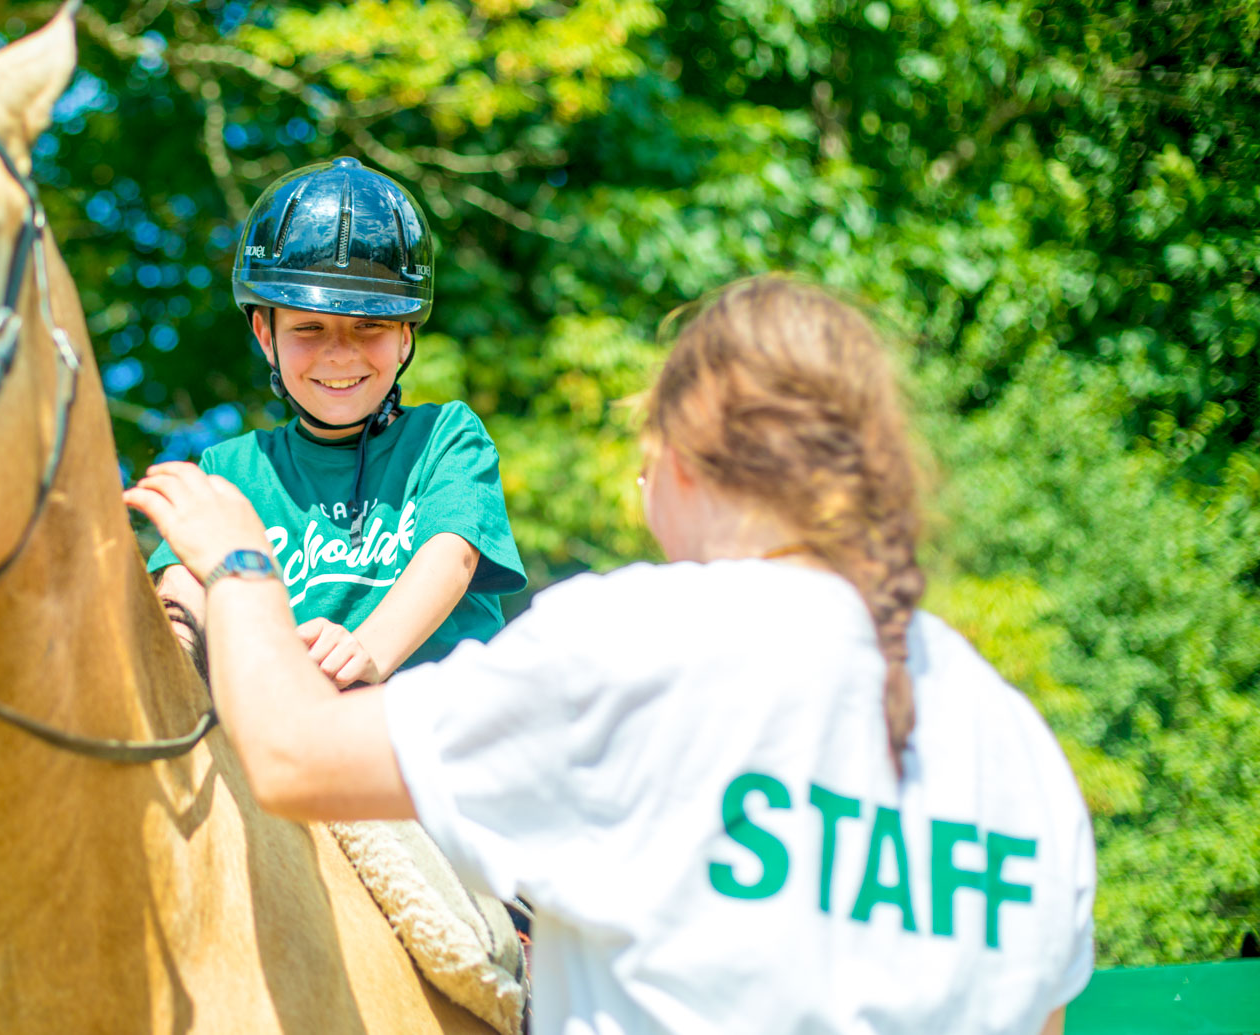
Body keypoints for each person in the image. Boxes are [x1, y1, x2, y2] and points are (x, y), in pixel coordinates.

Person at [126, 275, 1096, 1034]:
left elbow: (291, 756)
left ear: (680, 461)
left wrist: (240, 566)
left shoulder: (628, 646)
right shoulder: (1021, 753)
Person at [149, 156, 525, 687]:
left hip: (433, 722)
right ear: (265, 335)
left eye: (369, 325)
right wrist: (170, 652)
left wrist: (366, 651)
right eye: (309, 328)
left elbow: (451, 557)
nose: (341, 353)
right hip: (289, 728)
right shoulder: (229, 471)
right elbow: (185, 588)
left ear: (405, 337)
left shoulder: (445, 438)